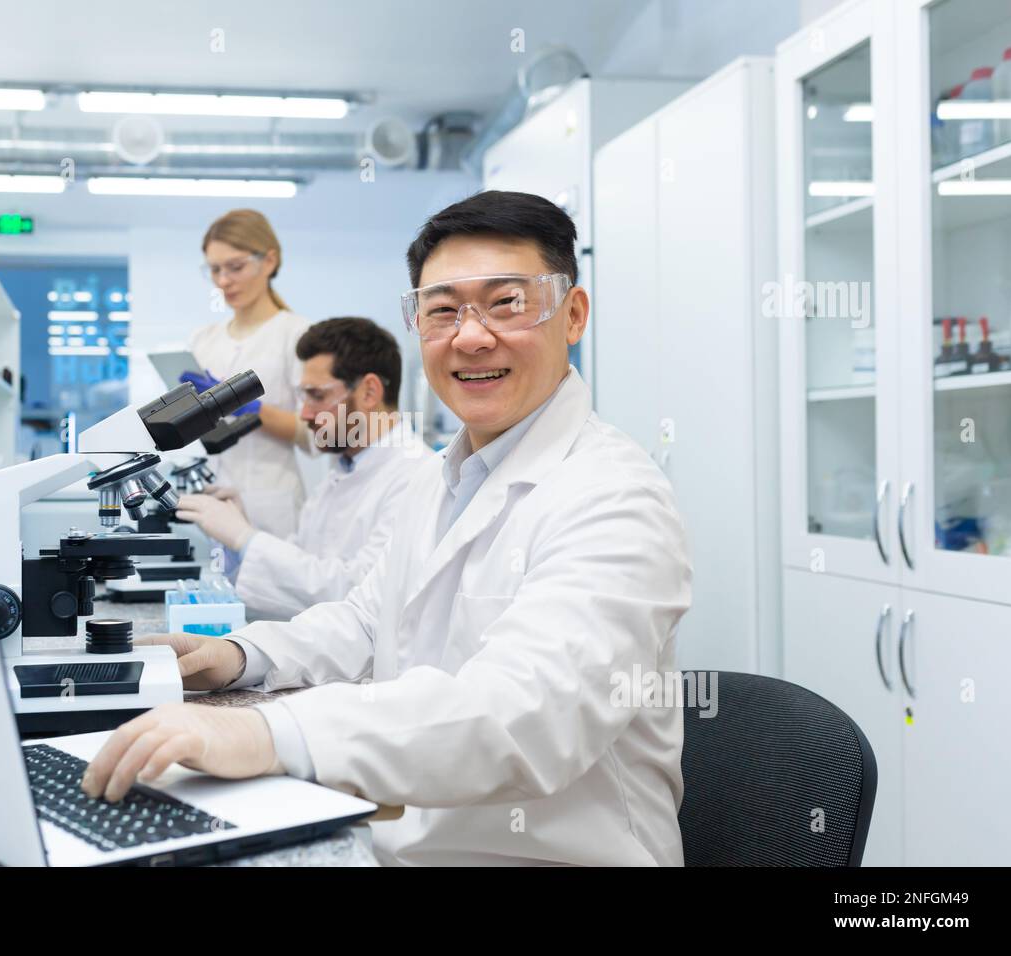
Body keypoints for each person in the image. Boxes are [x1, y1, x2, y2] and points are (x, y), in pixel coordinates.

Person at [81, 191, 693, 867]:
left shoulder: (615, 495)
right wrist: (237, 658)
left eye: (506, 303)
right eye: (442, 310)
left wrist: (267, 732)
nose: (470, 335)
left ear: (571, 314)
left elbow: (527, 717)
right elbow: (368, 623)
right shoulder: (446, 477)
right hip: (409, 842)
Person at [175, 317, 434, 620]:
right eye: (303, 397)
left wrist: (245, 537)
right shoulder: (342, 470)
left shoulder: (417, 475)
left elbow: (359, 593)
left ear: (369, 392)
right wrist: (236, 537)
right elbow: (296, 579)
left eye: (317, 396)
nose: (306, 413)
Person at [182, 209, 311, 538]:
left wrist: (249, 408)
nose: (224, 280)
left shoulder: (298, 335)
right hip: (210, 500)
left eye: (235, 267)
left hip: (272, 508)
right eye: (214, 270)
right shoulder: (203, 339)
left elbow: (315, 436)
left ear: (269, 260)